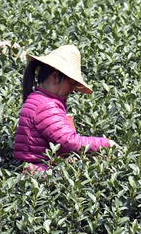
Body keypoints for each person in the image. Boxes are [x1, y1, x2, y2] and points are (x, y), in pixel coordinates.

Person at [13, 44, 117, 174]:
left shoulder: (38, 98)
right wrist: (105, 143)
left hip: (37, 168)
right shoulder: (45, 105)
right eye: (72, 83)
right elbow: (68, 142)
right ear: (56, 77)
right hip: (42, 172)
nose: (73, 89)